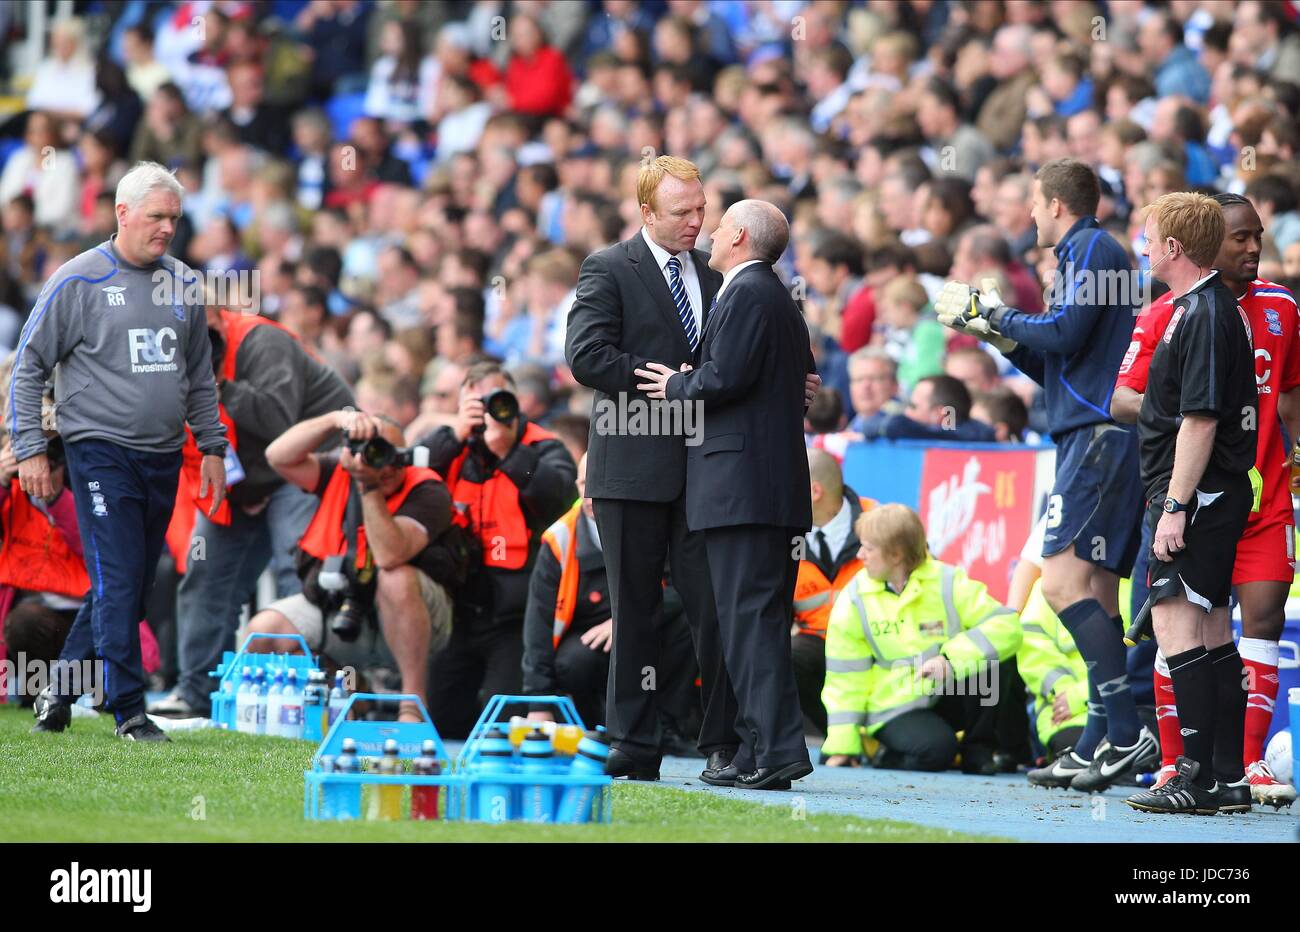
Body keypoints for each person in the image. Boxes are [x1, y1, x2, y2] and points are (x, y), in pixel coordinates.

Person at [937, 158, 1155, 792]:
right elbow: (1059, 360)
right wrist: (995, 335)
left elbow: (1063, 331)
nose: (1030, 215)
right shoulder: (1088, 254)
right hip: (1096, 435)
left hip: (1096, 441)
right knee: (1094, 585)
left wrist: (995, 312)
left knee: (1059, 585)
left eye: (1034, 204)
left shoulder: (1091, 248)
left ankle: (1123, 730)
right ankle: (1096, 742)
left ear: (1057, 205)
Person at [16, 161, 227, 741]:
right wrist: (32, 446)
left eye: (175, 218)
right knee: (119, 579)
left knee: (127, 582)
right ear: (122, 213)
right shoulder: (78, 280)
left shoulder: (184, 283)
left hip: (161, 455)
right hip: (98, 451)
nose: (166, 228)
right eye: (156, 216)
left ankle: (57, 691)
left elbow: (199, 376)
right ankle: (128, 709)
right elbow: (28, 364)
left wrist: (212, 446)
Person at [1112, 193, 1299, 806]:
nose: (1141, 248)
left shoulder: (1203, 314)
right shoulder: (1203, 309)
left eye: (1146, 238)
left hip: (1199, 499)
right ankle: (1227, 775)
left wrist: (1174, 506)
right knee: (1216, 631)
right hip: (1217, 497)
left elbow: (1199, 420)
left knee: (1175, 625)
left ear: (1172, 248)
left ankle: (1191, 772)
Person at [565, 155, 735, 781]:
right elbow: (585, 356)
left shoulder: (718, 271)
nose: (697, 222)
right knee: (633, 609)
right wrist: (670, 384)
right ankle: (634, 744)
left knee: (712, 606)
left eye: (700, 208)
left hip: (705, 469)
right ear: (645, 214)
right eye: (681, 212)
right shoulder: (608, 267)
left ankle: (722, 741)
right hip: (632, 466)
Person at [636, 199, 815, 790]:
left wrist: (675, 384)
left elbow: (724, 377)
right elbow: (804, 380)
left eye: (718, 225)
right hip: (762, 489)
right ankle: (756, 748)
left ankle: (779, 750)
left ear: (738, 236)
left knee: (751, 624)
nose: (708, 233)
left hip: (745, 491)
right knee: (748, 623)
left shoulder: (747, 293)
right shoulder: (775, 297)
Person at [148, 305, 355, 719]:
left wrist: (220, 384)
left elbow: (279, 422)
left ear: (217, 320)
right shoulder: (162, 362)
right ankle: (197, 692)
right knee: (204, 572)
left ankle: (306, 693)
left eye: (200, 335)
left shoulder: (263, 343)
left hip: (308, 465)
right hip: (241, 481)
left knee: (295, 568)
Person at [250, 410, 454, 722]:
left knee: (395, 577)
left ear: (408, 456)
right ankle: (353, 693)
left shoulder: (429, 490)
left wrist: (367, 488)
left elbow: (389, 555)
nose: (383, 465)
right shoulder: (340, 471)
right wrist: (336, 420)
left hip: (415, 621)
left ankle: (413, 705)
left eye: (392, 455)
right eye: (374, 453)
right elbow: (277, 456)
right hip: (344, 608)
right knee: (263, 632)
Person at [417, 361, 577, 737]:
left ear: (515, 402)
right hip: (458, 607)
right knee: (442, 724)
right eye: (477, 403)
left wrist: (509, 454)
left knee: (505, 726)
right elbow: (407, 474)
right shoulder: (449, 446)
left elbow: (561, 496)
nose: (489, 411)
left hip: (515, 617)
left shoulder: (542, 445)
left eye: (497, 400)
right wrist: (453, 434)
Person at [820, 505, 1023, 773]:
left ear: (896, 555)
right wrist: (842, 747)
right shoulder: (854, 598)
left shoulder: (948, 580)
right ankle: (881, 753)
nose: (860, 555)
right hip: (894, 705)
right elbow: (845, 678)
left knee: (995, 658)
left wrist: (951, 660)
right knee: (937, 751)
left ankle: (978, 752)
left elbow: (1008, 626)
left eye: (868, 548)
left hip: (945, 690)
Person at [522, 454, 699, 739]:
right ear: (577, 487)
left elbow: (684, 589)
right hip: (587, 638)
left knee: (689, 627)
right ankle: (593, 726)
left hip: (645, 625)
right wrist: (539, 700)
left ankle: (666, 726)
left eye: (600, 482)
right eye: (584, 483)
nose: (592, 493)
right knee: (573, 665)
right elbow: (538, 624)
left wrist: (624, 621)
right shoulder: (559, 539)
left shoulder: (653, 526)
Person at [794, 449, 874, 737]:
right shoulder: (783, 531)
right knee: (784, 657)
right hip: (818, 639)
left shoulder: (880, 522)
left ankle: (876, 732)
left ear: (815, 491)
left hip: (876, 640)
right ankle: (837, 733)